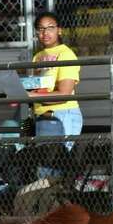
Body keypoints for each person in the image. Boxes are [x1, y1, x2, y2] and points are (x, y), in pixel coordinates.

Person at [26, 12, 82, 141]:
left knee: (56, 158)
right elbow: (35, 87)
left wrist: (31, 96)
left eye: (50, 27)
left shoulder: (66, 54)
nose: (45, 32)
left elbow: (65, 94)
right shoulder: (38, 56)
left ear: (59, 30)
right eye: (41, 28)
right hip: (40, 115)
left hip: (61, 114)